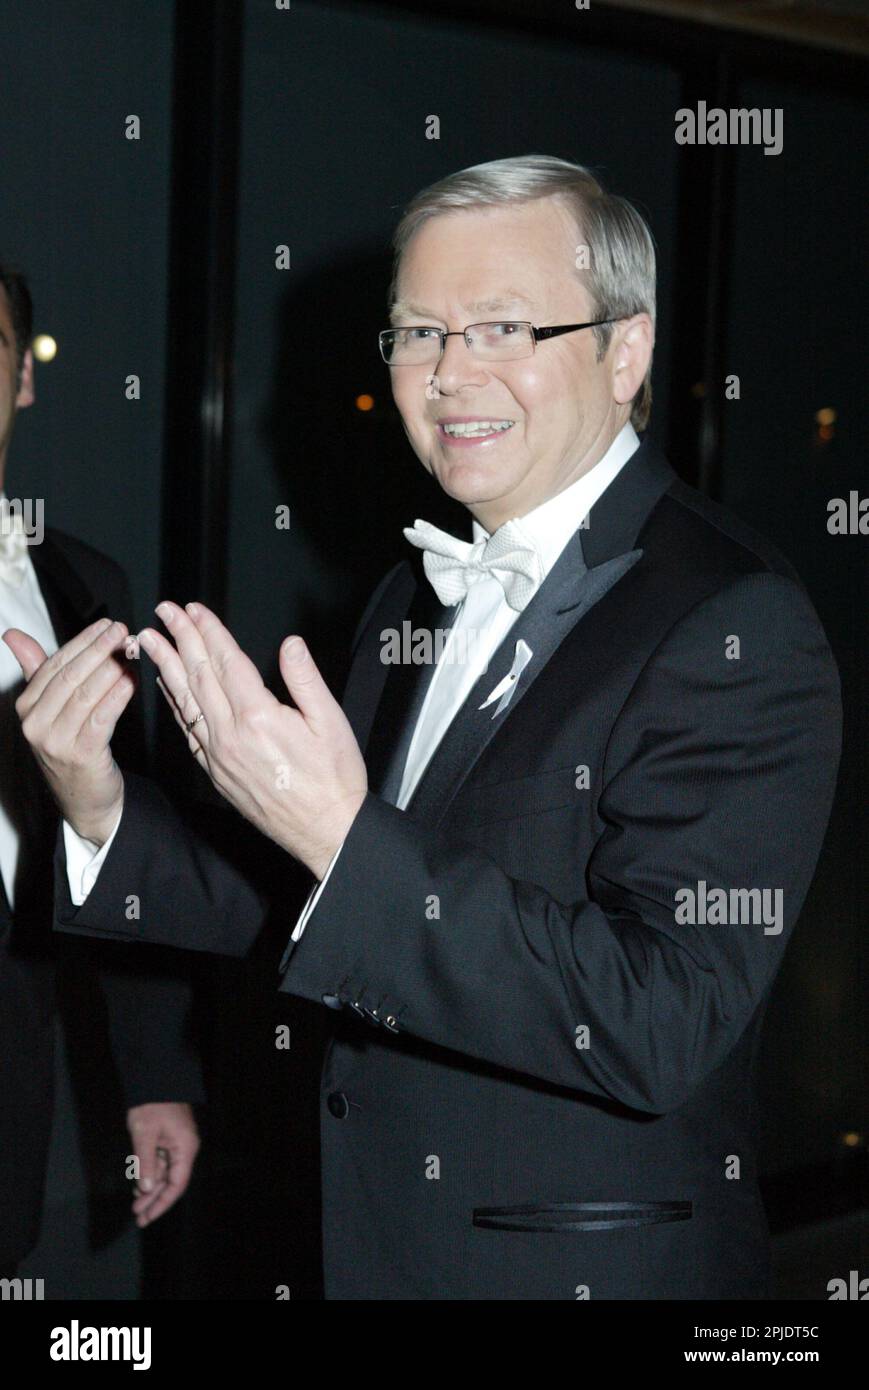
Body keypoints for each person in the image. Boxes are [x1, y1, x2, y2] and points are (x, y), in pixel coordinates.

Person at [4, 157, 841, 1299]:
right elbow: (309, 896)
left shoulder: (731, 617)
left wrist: (344, 837)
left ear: (625, 349)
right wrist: (94, 801)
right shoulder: (410, 593)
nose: (448, 374)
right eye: (414, 334)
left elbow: (660, 1019)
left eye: (500, 327)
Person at [0, 264, 201, 1278]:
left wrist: (152, 1071)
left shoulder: (87, 587)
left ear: (21, 380)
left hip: (26, 1098)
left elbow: (126, 843)